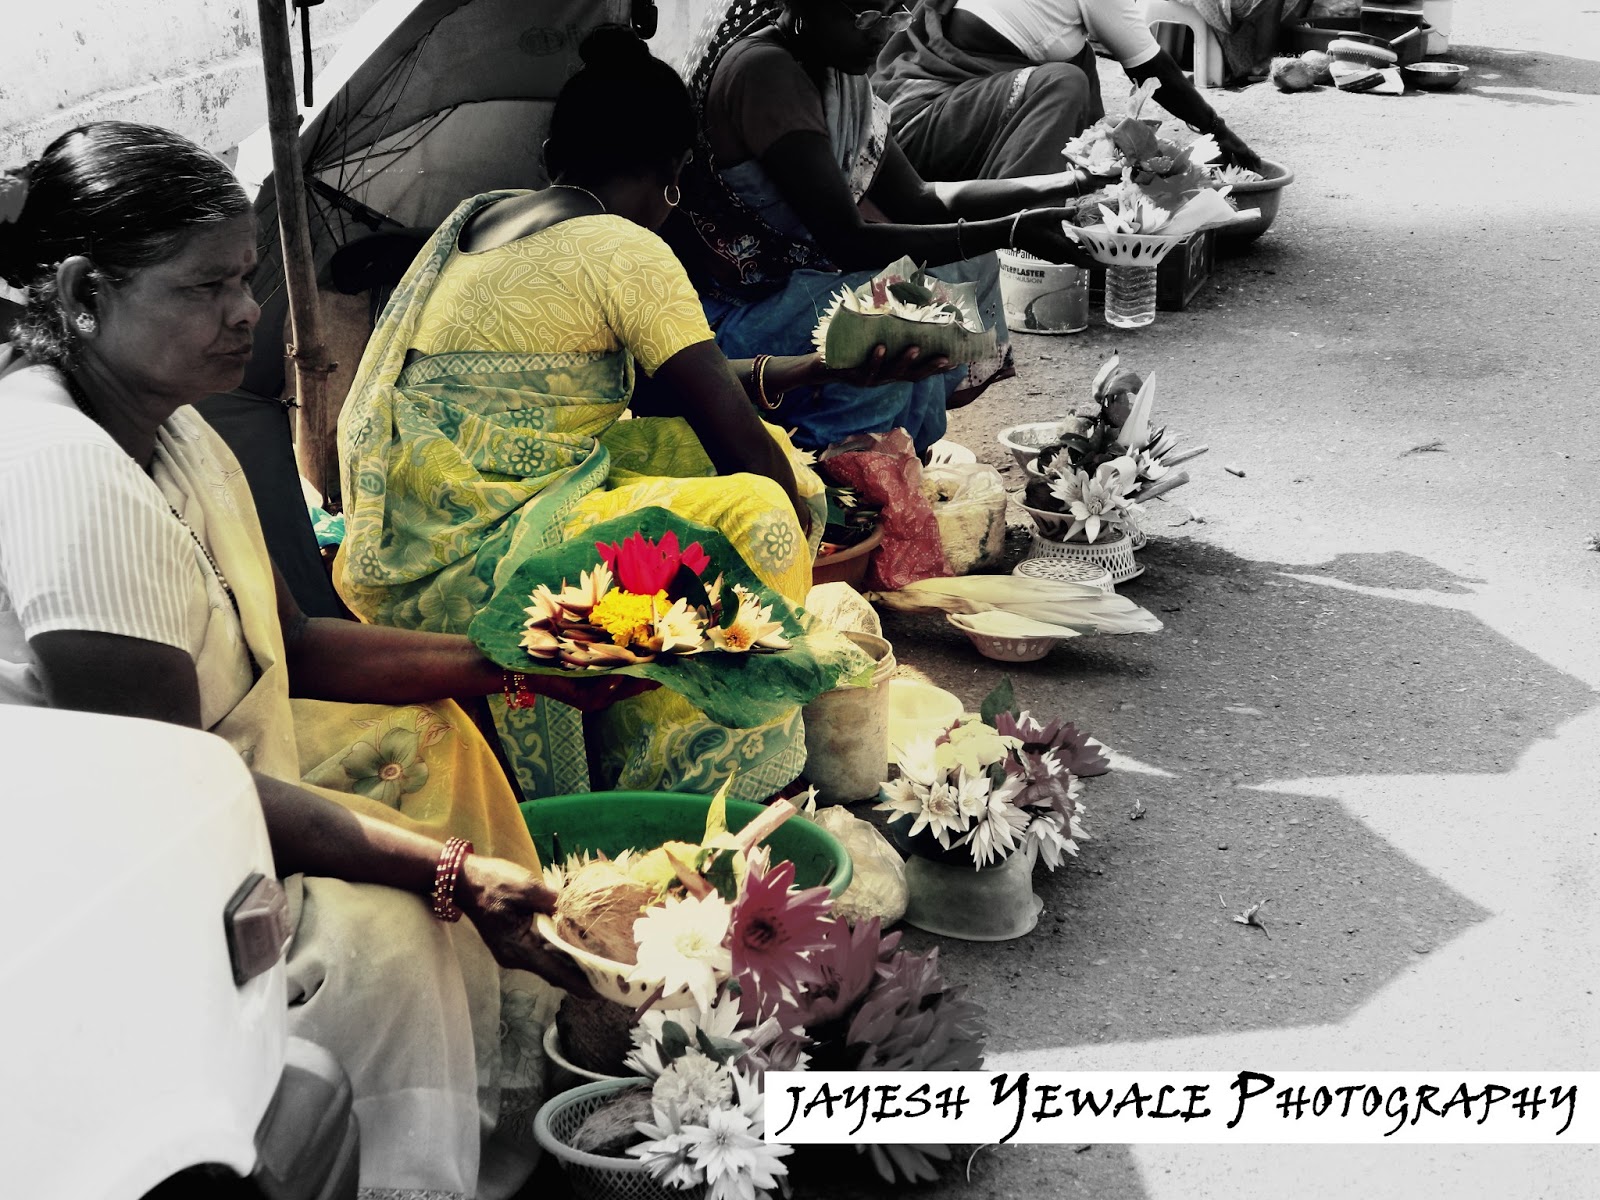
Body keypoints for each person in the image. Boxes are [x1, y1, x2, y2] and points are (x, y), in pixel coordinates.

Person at [0, 121, 617, 1199]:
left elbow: (292, 644)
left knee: (435, 738)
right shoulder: (62, 471)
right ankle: (405, 1164)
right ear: (86, 293)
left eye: (245, 278)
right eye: (206, 287)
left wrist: (515, 664)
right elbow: (172, 811)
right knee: (395, 926)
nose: (247, 312)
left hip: (219, 788)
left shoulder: (171, 424)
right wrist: (445, 873)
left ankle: (503, 1097)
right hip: (126, 882)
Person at [336, 27, 875, 808]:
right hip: (486, 551)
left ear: (552, 153)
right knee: (762, 509)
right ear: (675, 175)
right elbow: (743, 454)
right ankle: (693, 777)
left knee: (697, 456)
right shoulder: (624, 249)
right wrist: (788, 601)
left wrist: (817, 368)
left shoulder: (476, 219)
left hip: (412, 538)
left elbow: (657, 392)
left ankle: (646, 704)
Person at [666, 0, 1098, 457]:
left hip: (794, 287)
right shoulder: (767, 72)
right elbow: (848, 242)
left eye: (895, 16)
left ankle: (896, 452)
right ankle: (835, 463)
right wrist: (1011, 231)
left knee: (965, 263)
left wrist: (1074, 181)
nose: (882, 34)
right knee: (895, 313)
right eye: (865, 17)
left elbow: (919, 199)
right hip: (729, 317)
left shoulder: (836, 70)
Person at [874, 0, 1262, 182]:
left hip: (924, 123)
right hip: (916, 128)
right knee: (1064, 82)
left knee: (1075, 65)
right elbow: (1152, 68)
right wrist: (1219, 132)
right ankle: (1013, 225)